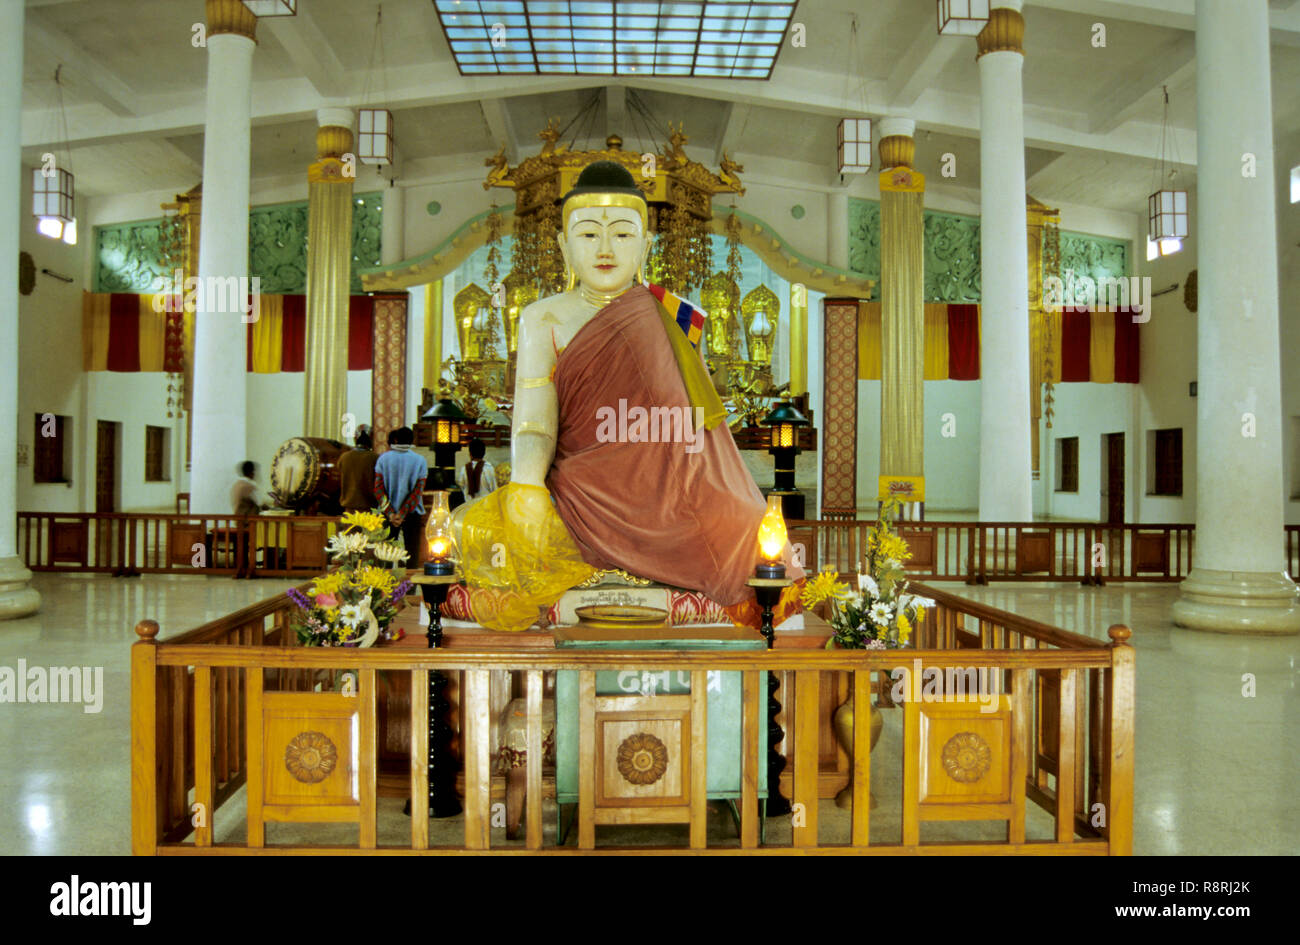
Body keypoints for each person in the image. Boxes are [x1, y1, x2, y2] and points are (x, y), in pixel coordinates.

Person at [455, 160, 802, 631]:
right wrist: (527, 486)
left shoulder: (676, 316)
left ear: (646, 244)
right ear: (563, 245)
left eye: (621, 234)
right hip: (582, 486)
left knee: (747, 523)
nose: (604, 249)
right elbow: (535, 420)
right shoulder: (544, 317)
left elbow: (694, 425)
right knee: (469, 536)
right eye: (587, 234)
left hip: (670, 482)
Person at [373, 426, 428, 564]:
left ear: (396, 439)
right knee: (411, 554)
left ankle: (384, 583)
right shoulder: (420, 460)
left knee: (385, 554)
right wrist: (402, 514)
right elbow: (417, 492)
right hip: (412, 513)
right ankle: (410, 585)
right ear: (411, 441)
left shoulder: (383, 459)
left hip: (387, 515)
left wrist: (391, 513)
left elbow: (378, 490)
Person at [339, 429, 380, 512]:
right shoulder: (374, 458)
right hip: (368, 508)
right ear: (371, 439)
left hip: (348, 507)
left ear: (355, 439)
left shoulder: (344, 457)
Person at [456, 438, 498, 503]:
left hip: (469, 506)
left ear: (470, 454)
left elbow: (461, 484)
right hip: (485, 506)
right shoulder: (488, 469)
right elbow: (494, 489)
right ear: (484, 453)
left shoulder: (464, 469)